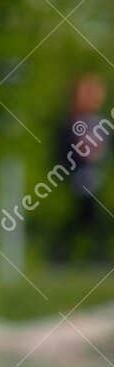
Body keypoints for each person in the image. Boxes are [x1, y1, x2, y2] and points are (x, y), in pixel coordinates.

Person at [55, 75, 108, 262]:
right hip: (81, 178)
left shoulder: (98, 121)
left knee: (89, 219)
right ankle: (88, 254)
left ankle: (90, 253)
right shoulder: (72, 123)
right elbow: (68, 151)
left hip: (96, 177)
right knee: (87, 218)